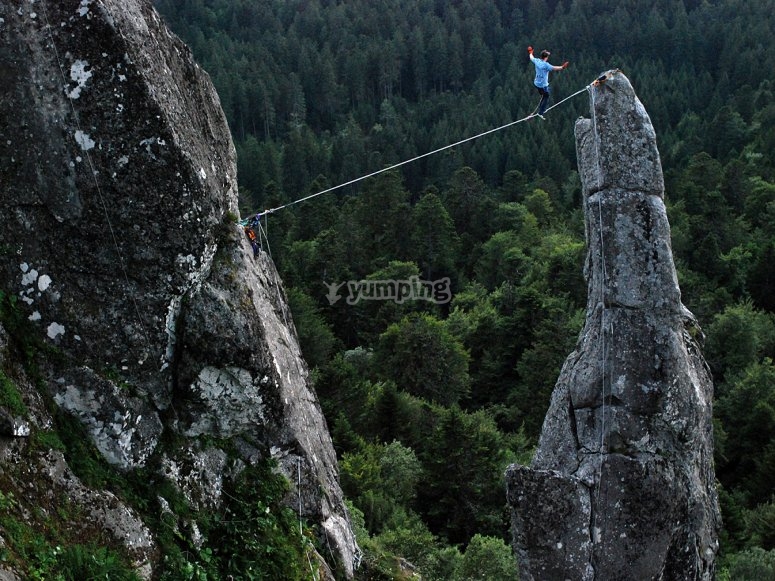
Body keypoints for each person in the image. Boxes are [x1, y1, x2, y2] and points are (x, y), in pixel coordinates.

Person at [528, 46, 569, 118]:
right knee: (546, 96)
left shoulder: (537, 61)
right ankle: (541, 112)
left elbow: (531, 57)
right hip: (543, 85)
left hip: (537, 83)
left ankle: (542, 106)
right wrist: (562, 67)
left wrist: (530, 52)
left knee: (546, 93)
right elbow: (554, 68)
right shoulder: (546, 65)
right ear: (546, 57)